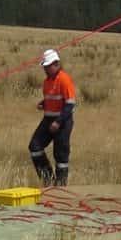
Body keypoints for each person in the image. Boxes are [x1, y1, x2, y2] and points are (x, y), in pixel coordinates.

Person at [29, 48, 77, 189]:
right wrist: (44, 103)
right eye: (44, 66)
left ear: (56, 64)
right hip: (48, 119)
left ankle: (60, 188)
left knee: (60, 155)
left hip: (63, 121)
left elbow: (70, 104)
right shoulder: (47, 81)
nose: (45, 69)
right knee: (34, 146)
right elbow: (54, 98)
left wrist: (58, 121)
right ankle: (48, 180)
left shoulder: (64, 79)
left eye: (47, 66)